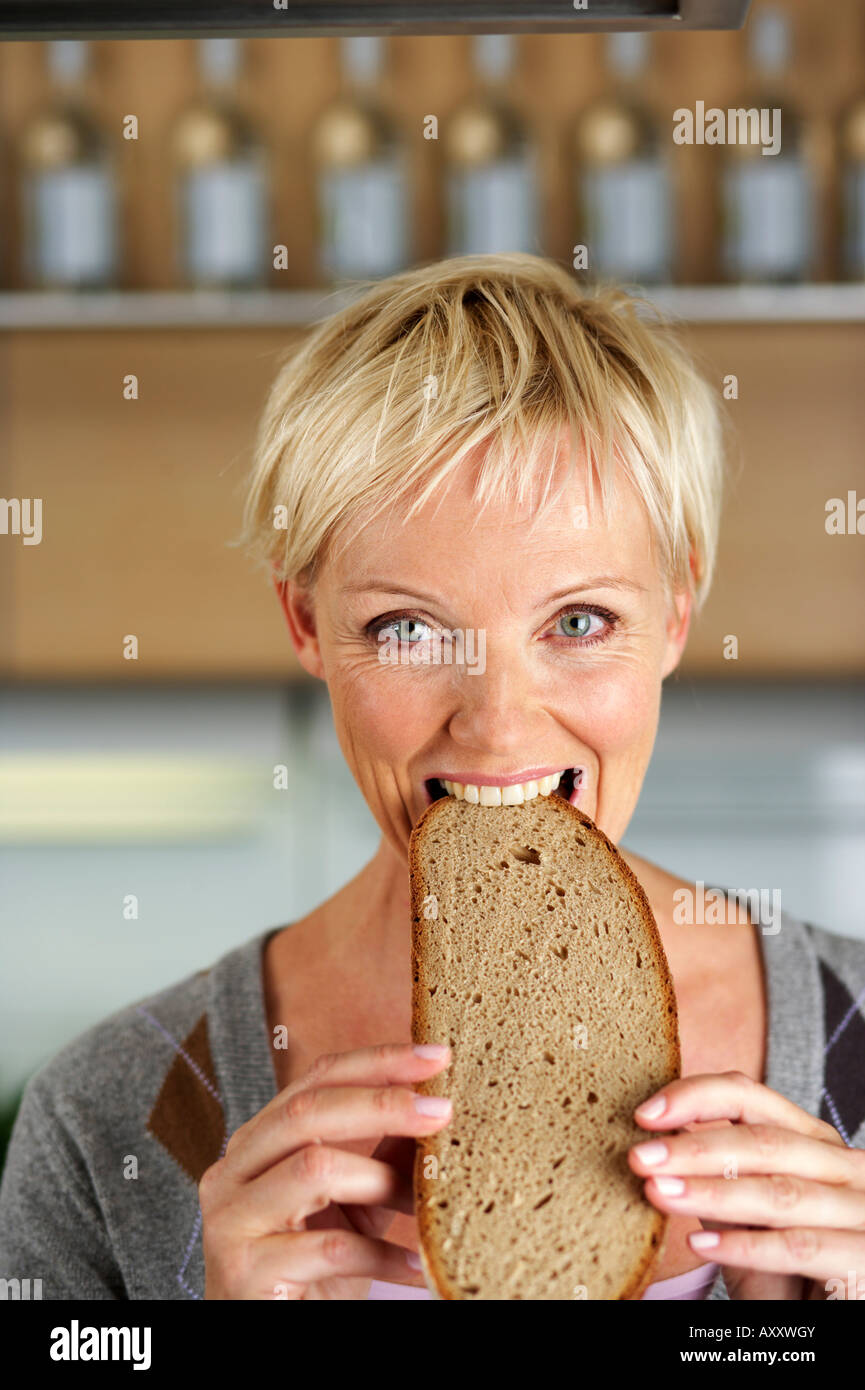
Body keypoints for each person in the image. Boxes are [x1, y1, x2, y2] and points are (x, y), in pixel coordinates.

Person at [1, 254, 863, 1301]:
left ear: (676, 613)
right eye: (405, 628)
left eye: (578, 621)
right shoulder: (113, 1110)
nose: (496, 725)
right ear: (307, 622)